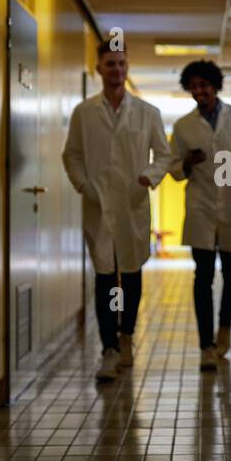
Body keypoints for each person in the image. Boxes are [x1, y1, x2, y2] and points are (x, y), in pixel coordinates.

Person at [62, 40, 171, 381]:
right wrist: (83, 185)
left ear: (128, 68)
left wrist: (148, 177)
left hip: (133, 203)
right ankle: (109, 349)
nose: (117, 70)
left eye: (122, 64)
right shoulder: (84, 112)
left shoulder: (147, 112)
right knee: (106, 279)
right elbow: (72, 156)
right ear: (99, 69)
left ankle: (127, 336)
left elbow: (164, 156)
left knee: (132, 275)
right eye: (111, 64)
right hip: (98, 205)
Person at [168, 60, 231, 371]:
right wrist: (187, 162)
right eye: (194, 87)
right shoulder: (182, 126)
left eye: (205, 85)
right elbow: (174, 170)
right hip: (201, 207)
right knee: (202, 278)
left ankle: (224, 329)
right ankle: (205, 345)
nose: (199, 91)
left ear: (216, 85)